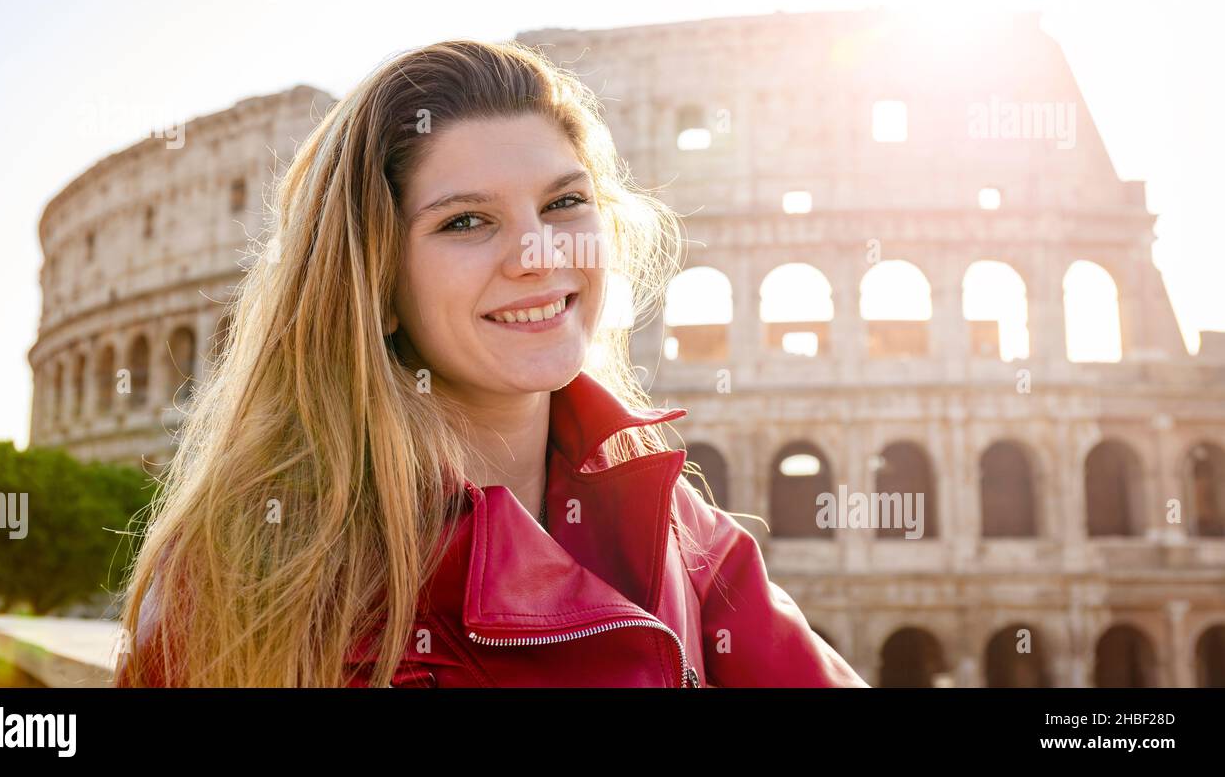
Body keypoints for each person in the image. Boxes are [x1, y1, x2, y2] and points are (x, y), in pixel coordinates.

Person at [114, 39, 868, 688]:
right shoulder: (245, 572)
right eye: (466, 221)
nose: (539, 255)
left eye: (565, 203)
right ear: (374, 282)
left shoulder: (676, 522)